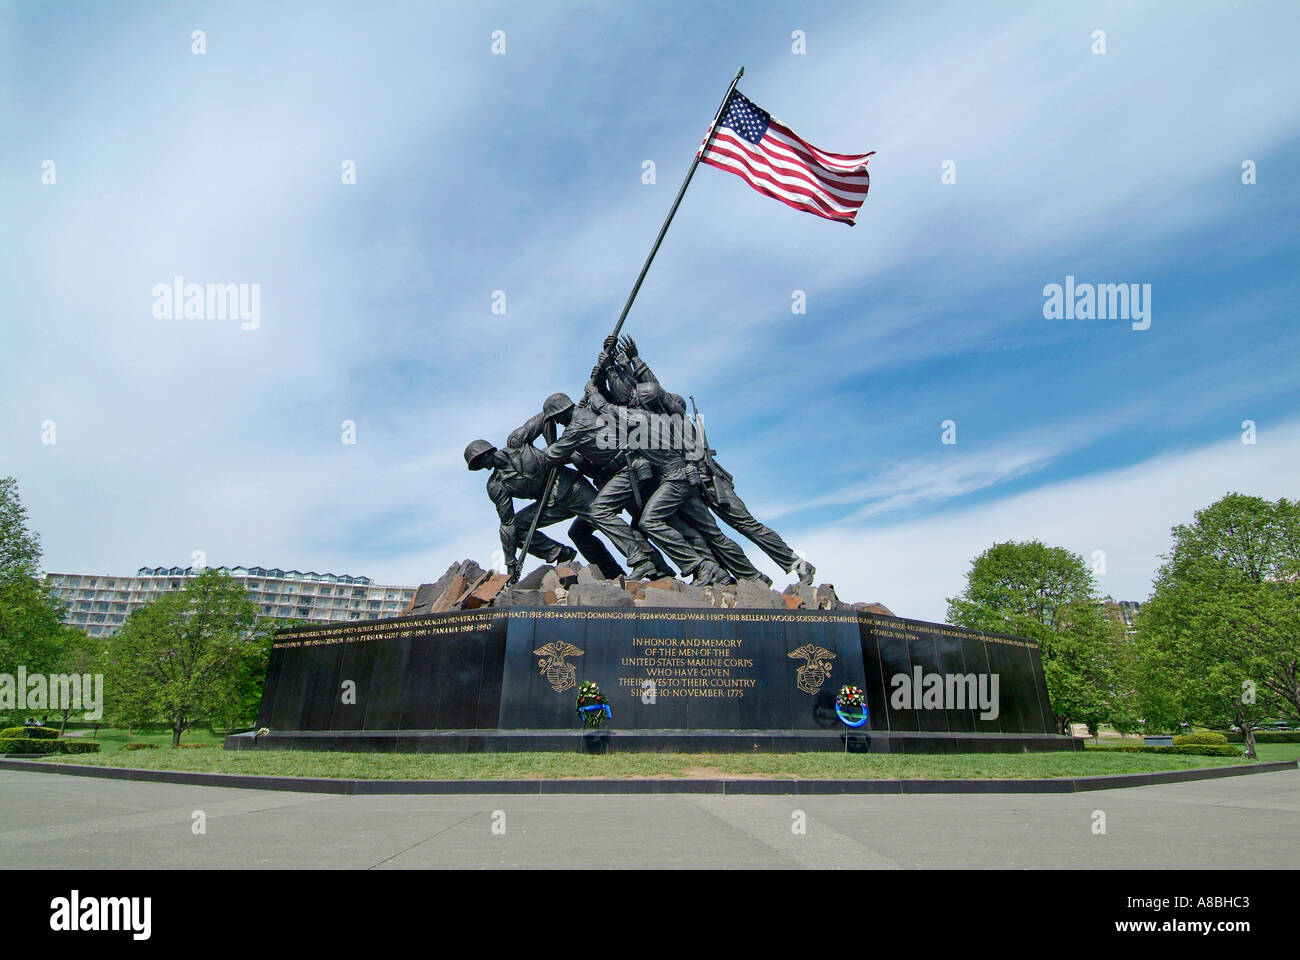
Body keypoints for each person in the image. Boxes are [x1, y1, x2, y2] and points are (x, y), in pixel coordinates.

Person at [465, 437, 624, 581]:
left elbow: (546, 418)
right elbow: (508, 524)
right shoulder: (496, 485)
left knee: (604, 518)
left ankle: (642, 559)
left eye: (479, 461)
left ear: (487, 452)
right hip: (551, 504)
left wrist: (552, 445)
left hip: (572, 488)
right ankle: (561, 554)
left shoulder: (517, 442)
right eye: (477, 465)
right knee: (521, 526)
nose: (481, 466)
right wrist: (511, 562)